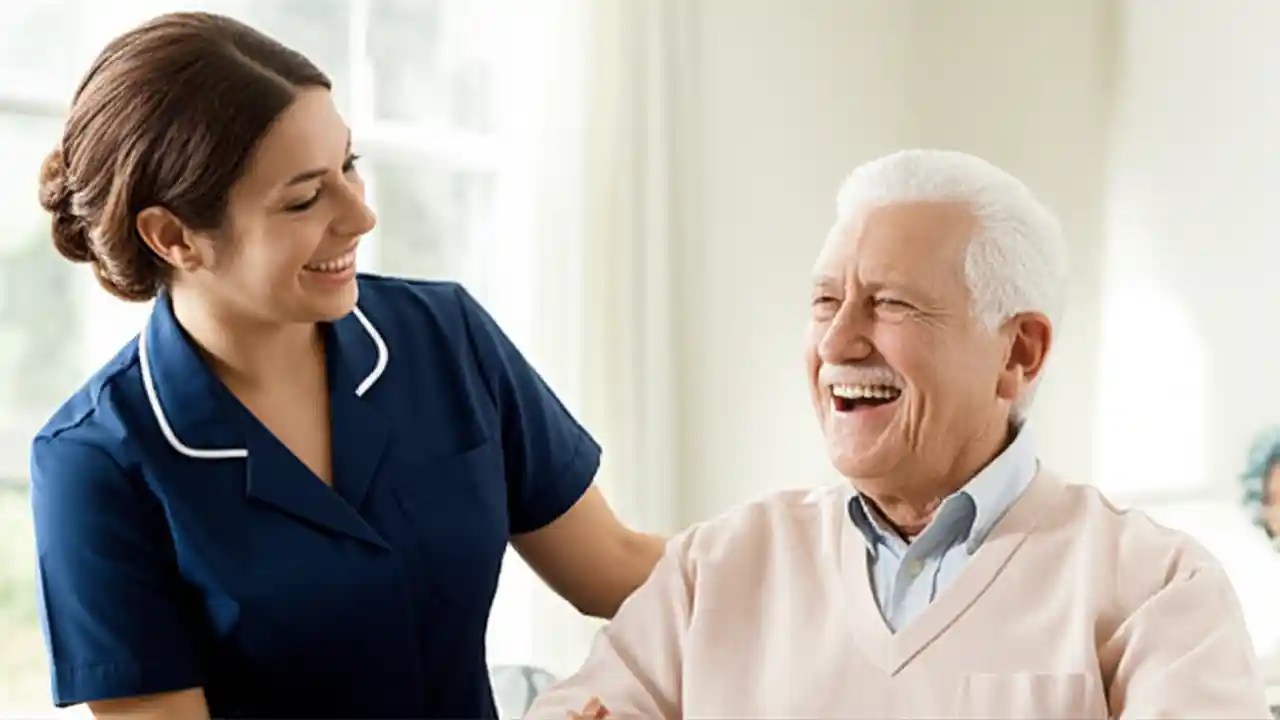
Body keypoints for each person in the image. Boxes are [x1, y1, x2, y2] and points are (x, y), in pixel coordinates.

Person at [29, 12, 663, 719]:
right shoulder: (96, 464)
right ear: (173, 235)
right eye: (303, 198)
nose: (360, 215)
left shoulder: (443, 338)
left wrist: (803, 552)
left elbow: (613, 567)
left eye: (349, 166)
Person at [527, 149, 1272, 719]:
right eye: (826, 301)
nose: (839, 342)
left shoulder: (1159, 589)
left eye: (892, 305)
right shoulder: (713, 570)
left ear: (1019, 353)